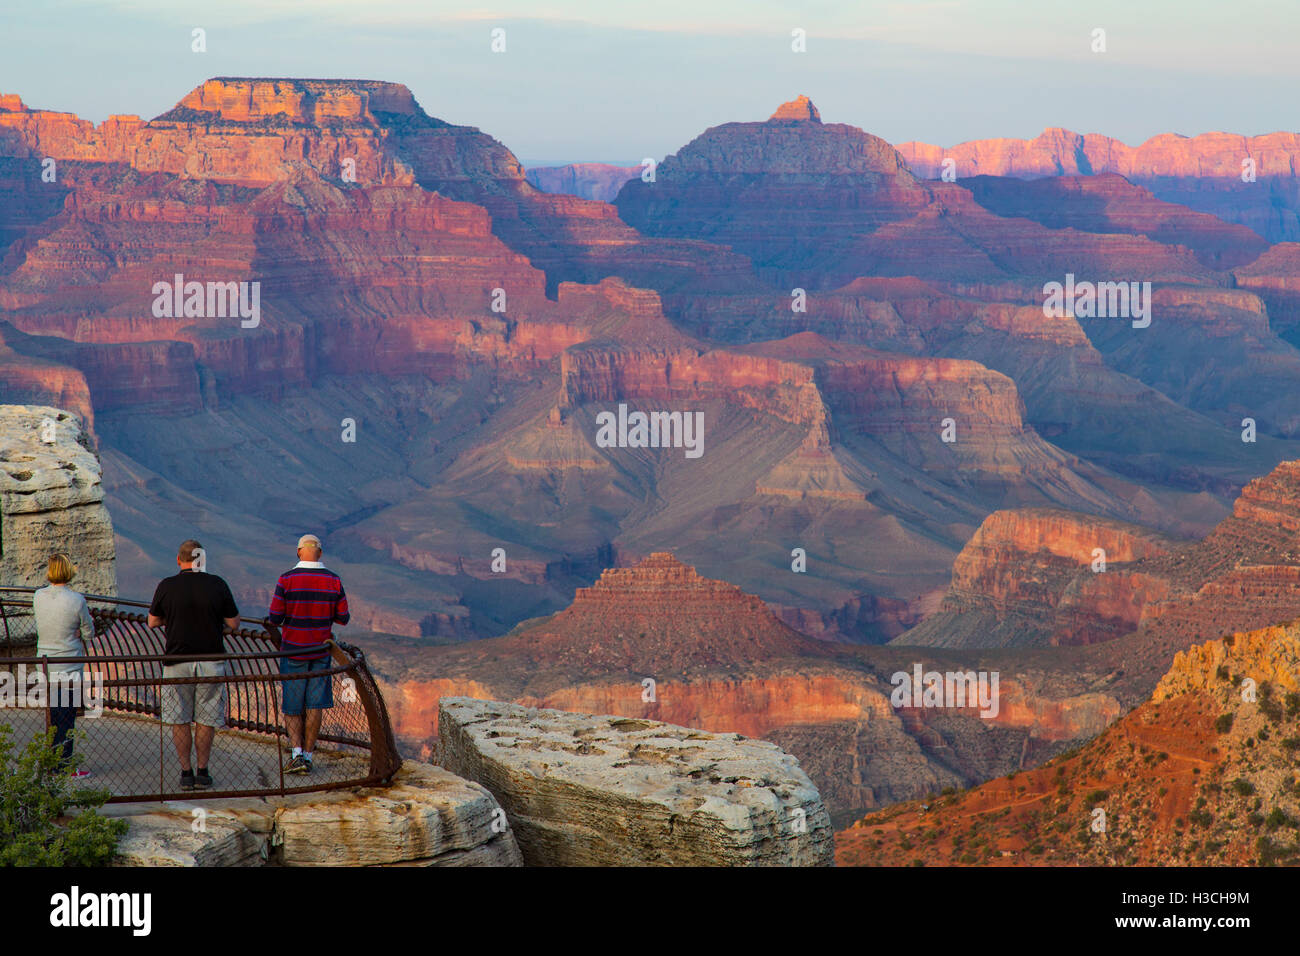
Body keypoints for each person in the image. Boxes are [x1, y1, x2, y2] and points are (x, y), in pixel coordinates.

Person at [148, 539, 239, 792]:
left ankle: (185, 772)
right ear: (202, 561)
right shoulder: (217, 584)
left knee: (180, 717)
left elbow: (153, 622)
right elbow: (233, 623)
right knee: (206, 718)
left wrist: (174, 619)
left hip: (176, 661)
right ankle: (203, 771)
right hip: (211, 660)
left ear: (179, 560)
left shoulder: (167, 585)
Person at [267, 534, 350, 774]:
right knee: (315, 705)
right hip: (321, 652)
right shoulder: (334, 581)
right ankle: (310, 756)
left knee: (292, 706)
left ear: (298, 552)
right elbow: (343, 618)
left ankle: (296, 754)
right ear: (320, 554)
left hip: (293, 650)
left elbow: (275, 617)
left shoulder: (286, 580)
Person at [33, 554, 94, 778]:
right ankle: (64, 767)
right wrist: (79, 632)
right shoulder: (77, 600)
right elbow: (88, 632)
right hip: (69, 665)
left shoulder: (38, 596)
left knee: (53, 716)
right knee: (66, 718)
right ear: (69, 571)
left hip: (46, 664)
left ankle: (51, 762)